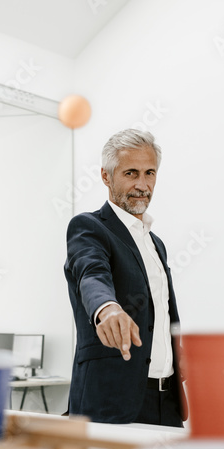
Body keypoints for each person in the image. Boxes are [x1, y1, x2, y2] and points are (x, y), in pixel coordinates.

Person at [63, 129, 185, 426]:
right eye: (131, 173)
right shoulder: (89, 227)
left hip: (167, 402)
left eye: (149, 173)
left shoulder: (156, 244)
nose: (142, 185)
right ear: (106, 176)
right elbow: (90, 274)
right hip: (110, 402)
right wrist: (108, 308)